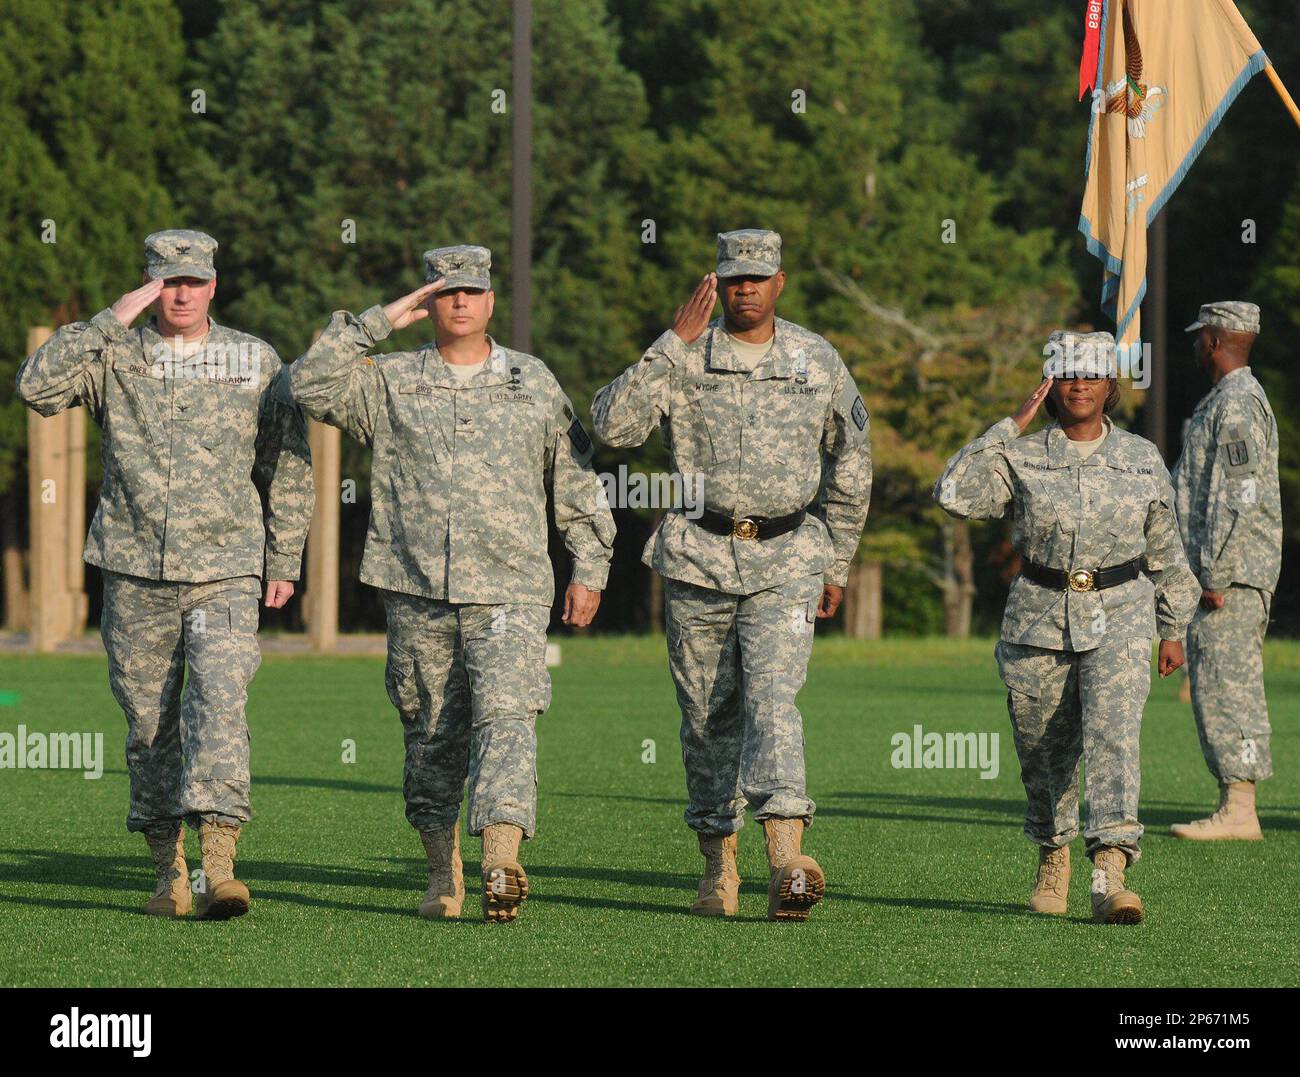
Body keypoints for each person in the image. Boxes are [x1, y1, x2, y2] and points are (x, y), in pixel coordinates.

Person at [288, 245, 614, 922]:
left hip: (511, 586)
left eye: (471, 292)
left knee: (509, 716)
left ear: (492, 301)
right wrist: (378, 320)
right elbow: (309, 386)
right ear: (429, 303)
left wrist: (591, 562)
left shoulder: (533, 380)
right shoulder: (390, 380)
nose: (459, 302)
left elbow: (576, 477)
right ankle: (443, 874)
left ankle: (501, 859)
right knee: (430, 732)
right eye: (444, 292)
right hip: (415, 587)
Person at [16, 229, 314, 920]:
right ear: (147, 285)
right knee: (149, 723)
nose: (179, 292)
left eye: (191, 280)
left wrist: (285, 557)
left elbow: (287, 463)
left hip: (226, 567)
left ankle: (220, 865)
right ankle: (166, 870)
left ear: (213, 285)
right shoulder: (113, 352)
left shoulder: (254, 359)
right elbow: (36, 386)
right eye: (164, 280)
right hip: (132, 565)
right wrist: (108, 319)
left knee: (219, 698)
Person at [591, 229, 871, 922]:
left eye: (757, 277)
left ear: (780, 283)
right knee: (707, 716)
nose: (744, 287)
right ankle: (719, 862)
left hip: (787, 557)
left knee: (775, 697)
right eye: (733, 277)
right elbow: (611, 428)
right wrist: (668, 344)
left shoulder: (816, 358)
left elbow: (854, 457)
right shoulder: (685, 356)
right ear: (716, 282)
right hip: (699, 556)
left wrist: (837, 557)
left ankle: (786, 860)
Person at [934, 330, 1199, 924]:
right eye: (1068, 373)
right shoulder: (1023, 455)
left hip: (1122, 613)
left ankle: (1109, 873)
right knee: (1043, 751)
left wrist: (1173, 624)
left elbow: (1166, 550)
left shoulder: (1140, 457)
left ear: (1111, 386)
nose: (1080, 383)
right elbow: (952, 493)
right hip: (1038, 617)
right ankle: (1053, 852)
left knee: (1113, 738)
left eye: (1092, 374)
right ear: (1050, 384)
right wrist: (1008, 426)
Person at [1170, 302, 1281, 841]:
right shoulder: (1228, 399)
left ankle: (1239, 808)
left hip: (1230, 576)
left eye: (1199, 337)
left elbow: (1239, 494)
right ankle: (1235, 803)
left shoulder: (1237, 403)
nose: (1195, 346)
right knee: (1218, 681)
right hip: (1228, 571)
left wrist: (1215, 572)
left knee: (1228, 685)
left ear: (1214, 340)